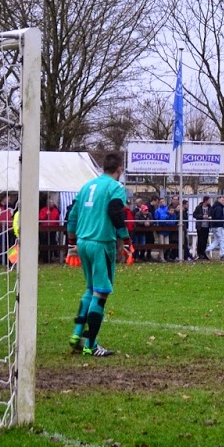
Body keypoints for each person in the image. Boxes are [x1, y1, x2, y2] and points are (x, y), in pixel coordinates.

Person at [63, 152, 129, 357]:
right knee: (101, 292)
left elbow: (72, 215)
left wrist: (72, 242)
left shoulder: (86, 186)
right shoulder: (116, 187)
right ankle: (90, 345)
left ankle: (77, 335)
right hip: (102, 242)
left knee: (91, 288)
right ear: (119, 169)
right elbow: (115, 211)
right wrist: (124, 240)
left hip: (83, 242)